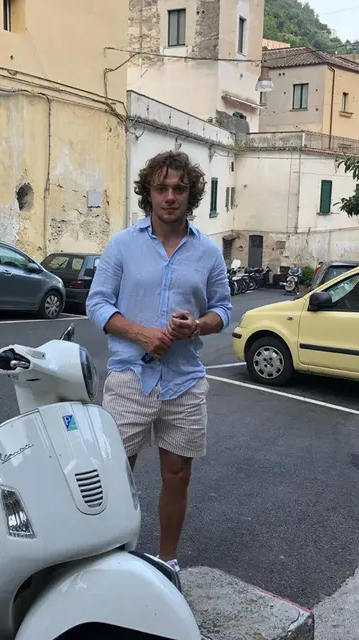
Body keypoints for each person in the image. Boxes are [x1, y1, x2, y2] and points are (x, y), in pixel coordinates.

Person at [86, 151, 232, 572]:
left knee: (178, 474)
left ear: (191, 194)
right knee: (115, 474)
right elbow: (97, 303)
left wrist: (197, 326)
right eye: (162, 188)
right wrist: (141, 334)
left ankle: (168, 561)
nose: (170, 197)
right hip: (130, 376)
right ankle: (109, 559)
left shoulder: (208, 252)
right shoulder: (122, 245)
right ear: (148, 193)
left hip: (183, 381)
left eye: (179, 189)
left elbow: (223, 309)